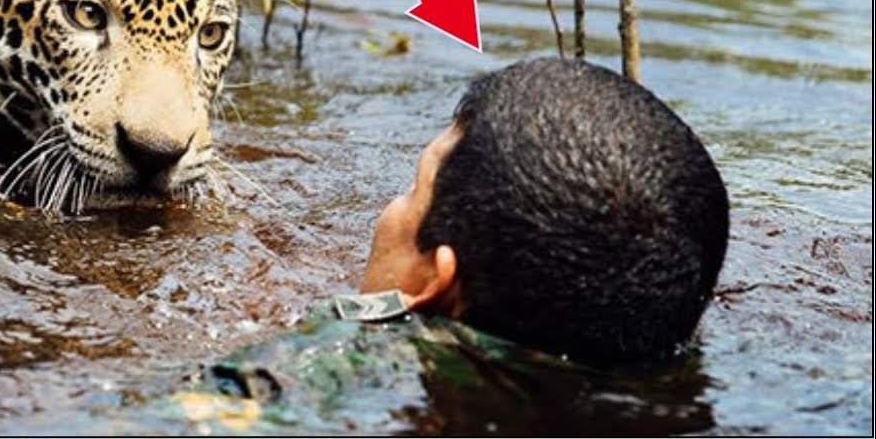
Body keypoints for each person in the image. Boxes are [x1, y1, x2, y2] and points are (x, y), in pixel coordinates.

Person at [113, 58, 730, 434]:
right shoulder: (664, 386)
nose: (390, 208)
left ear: (436, 280)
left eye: (412, 190)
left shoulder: (329, 363)